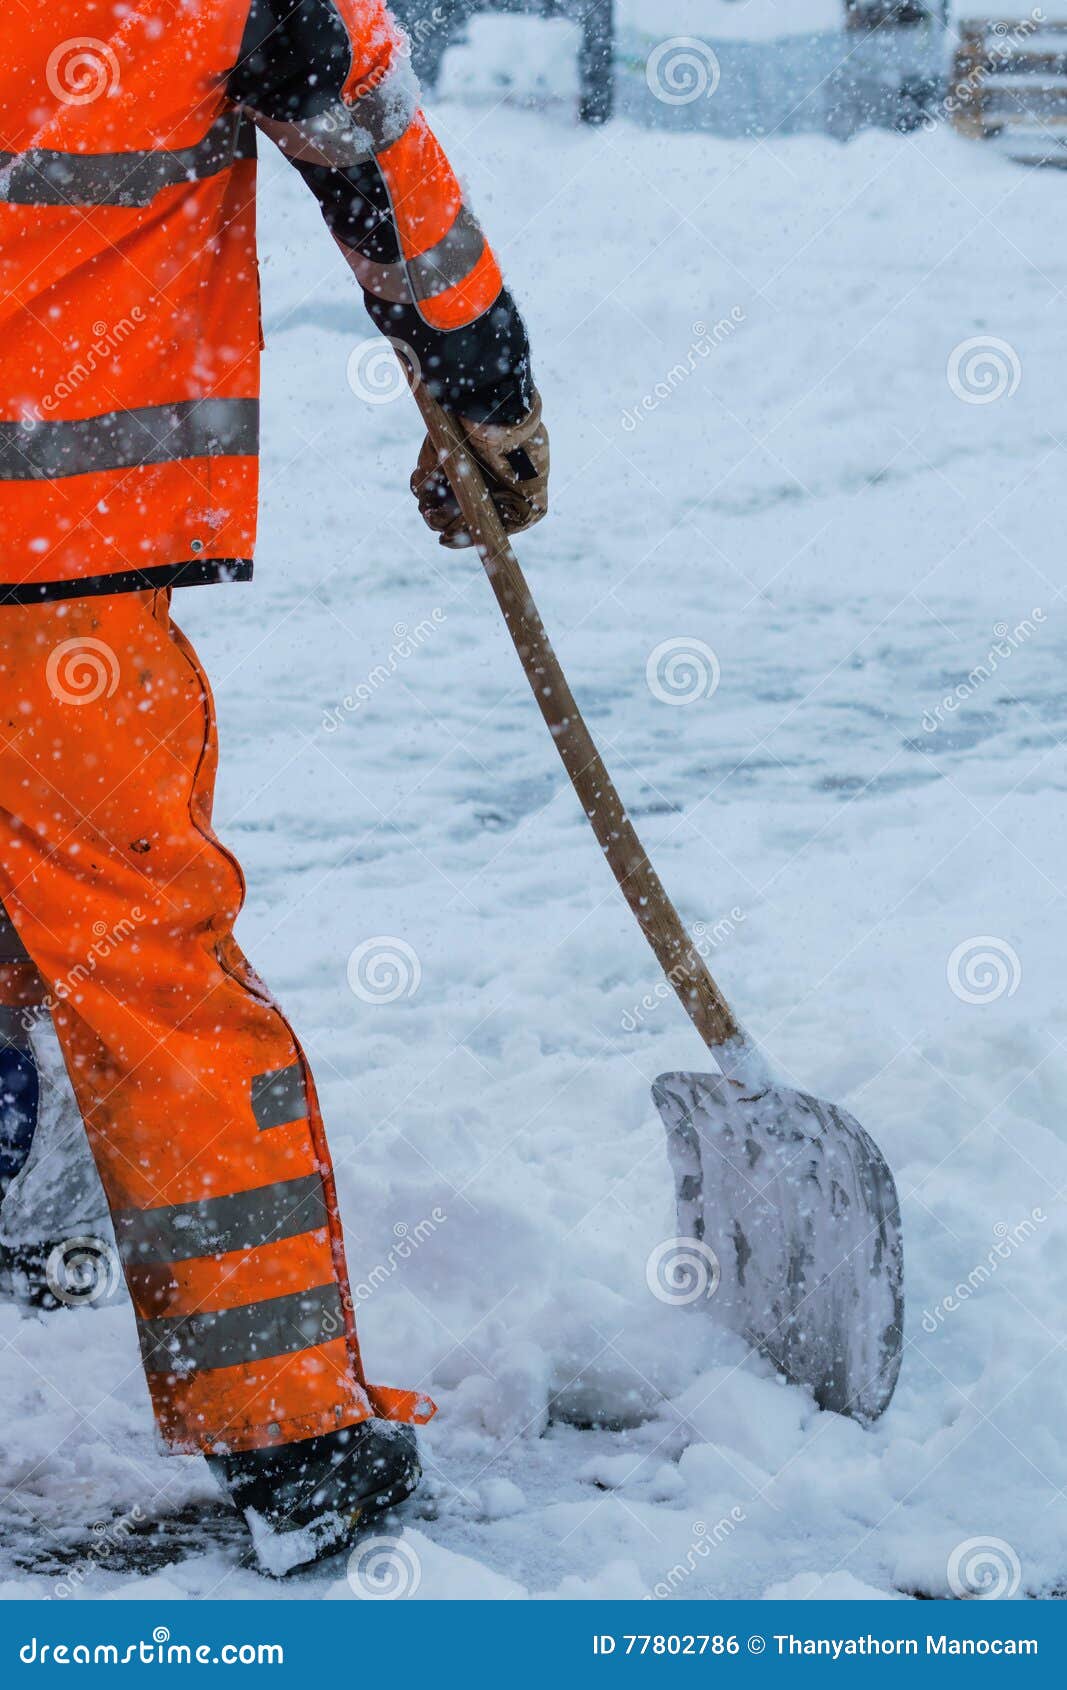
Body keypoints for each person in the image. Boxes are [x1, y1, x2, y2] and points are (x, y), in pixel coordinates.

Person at [0, 0, 549, 1575]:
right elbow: (370, 143)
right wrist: (481, 369)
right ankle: (293, 1433)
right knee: (138, 965)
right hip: (55, 558)